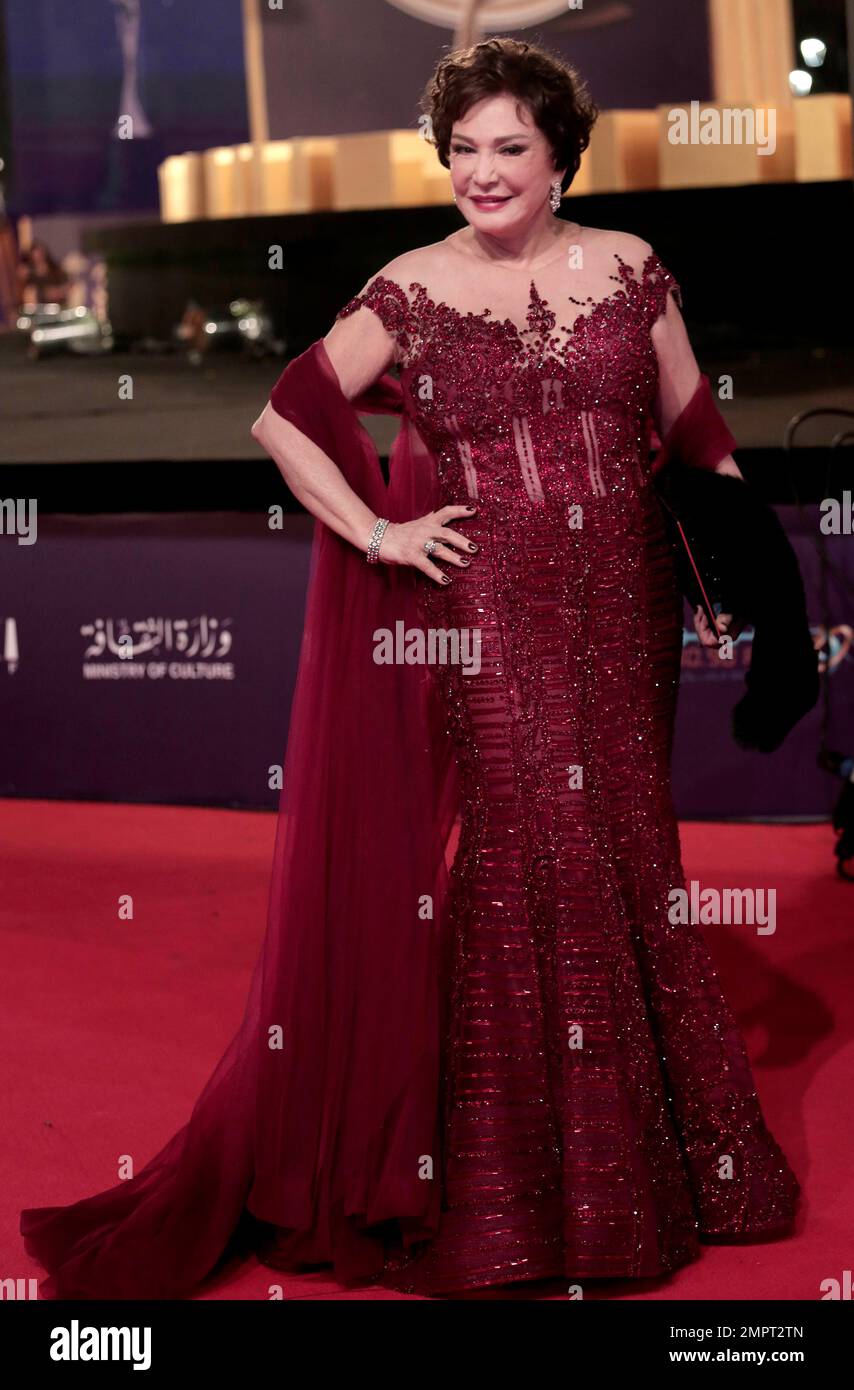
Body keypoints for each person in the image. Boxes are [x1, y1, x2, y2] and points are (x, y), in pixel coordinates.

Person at [21, 37, 799, 1300]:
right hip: (485, 610)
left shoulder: (631, 272)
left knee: (625, 851)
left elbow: (695, 435)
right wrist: (380, 528)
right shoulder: (407, 287)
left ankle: (669, 1159)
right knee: (524, 855)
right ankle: (513, 1193)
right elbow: (283, 414)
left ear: (558, 163)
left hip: (628, 610)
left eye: (508, 149)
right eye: (461, 151)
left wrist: (762, 591)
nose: (479, 173)